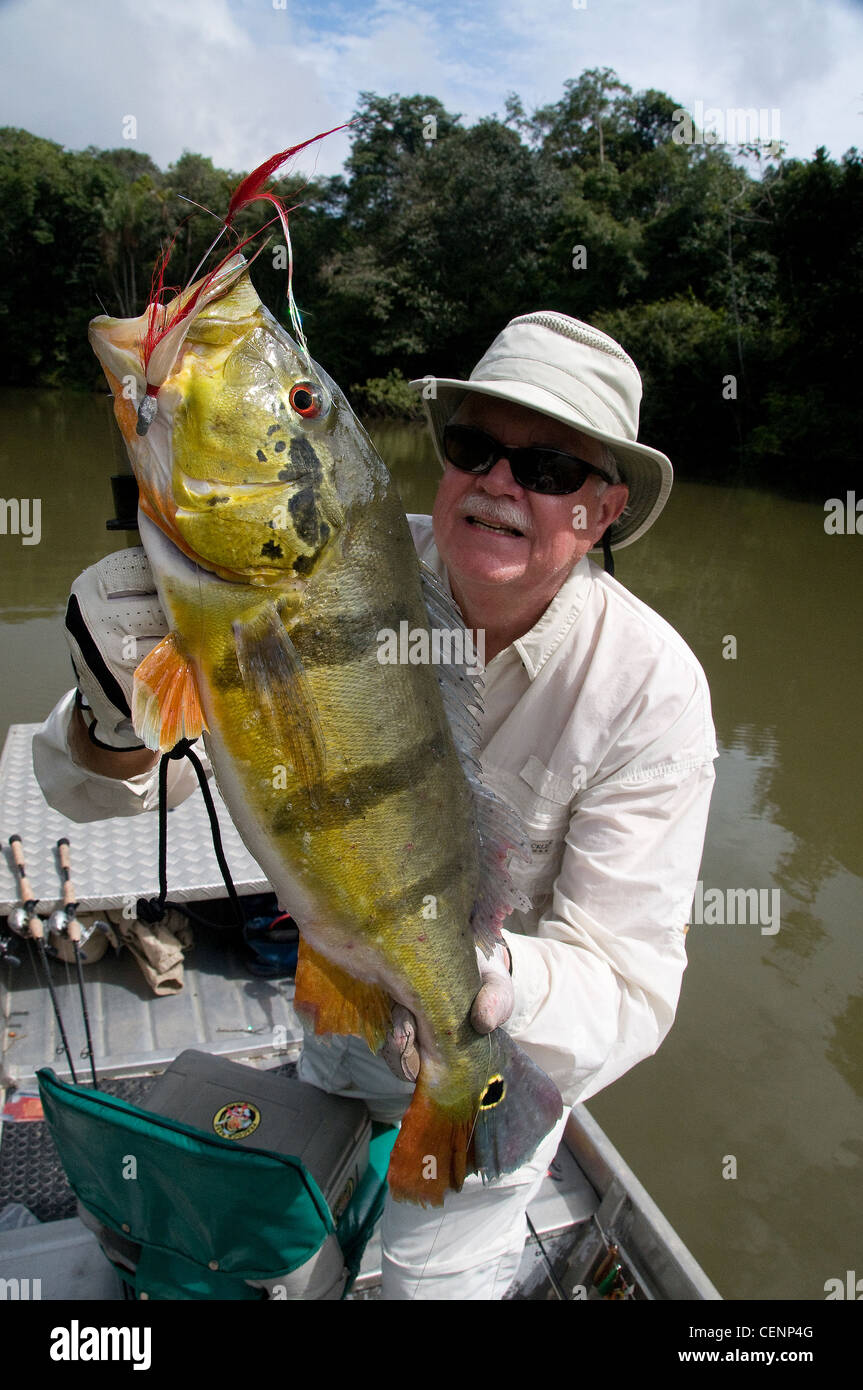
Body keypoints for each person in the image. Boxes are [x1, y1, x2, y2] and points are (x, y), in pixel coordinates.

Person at [33, 311, 717, 1299]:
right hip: (339, 1029)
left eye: (549, 470)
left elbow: (633, 988)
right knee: (289, 1247)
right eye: (472, 446)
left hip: (499, 1066)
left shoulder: (652, 688)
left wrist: (478, 987)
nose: (497, 481)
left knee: (431, 1285)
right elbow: (98, 788)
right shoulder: (320, 560)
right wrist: (112, 716)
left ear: (601, 513)